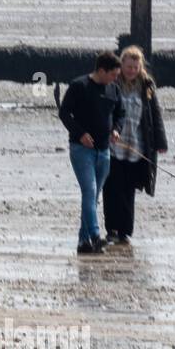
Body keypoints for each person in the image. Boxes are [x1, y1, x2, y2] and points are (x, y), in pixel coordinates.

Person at [58, 51, 124, 254]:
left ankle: (83, 242)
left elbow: (120, 113)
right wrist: (80, 134)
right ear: (101, 70)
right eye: (113, 74)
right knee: (89, 191)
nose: (115, 78)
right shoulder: (79, 85)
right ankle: (95, 235)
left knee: (94, 196)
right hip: (81, 150)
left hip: (104, 151)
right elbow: (64, 113)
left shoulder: (114, 89)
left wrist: (116, 130)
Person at [103, 45, 168, 244]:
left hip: (136, 146)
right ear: (121, 65)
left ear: (140, 67)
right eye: (128, 66)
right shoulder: (113, 83)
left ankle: (125, 231)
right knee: (111, 188)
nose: (131, 70)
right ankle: (111, 229)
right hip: (114, 146)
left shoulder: (147, 86)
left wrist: (160, 141)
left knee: (128, 191)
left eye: (135, 67)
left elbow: (155, 114)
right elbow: (104, 110)